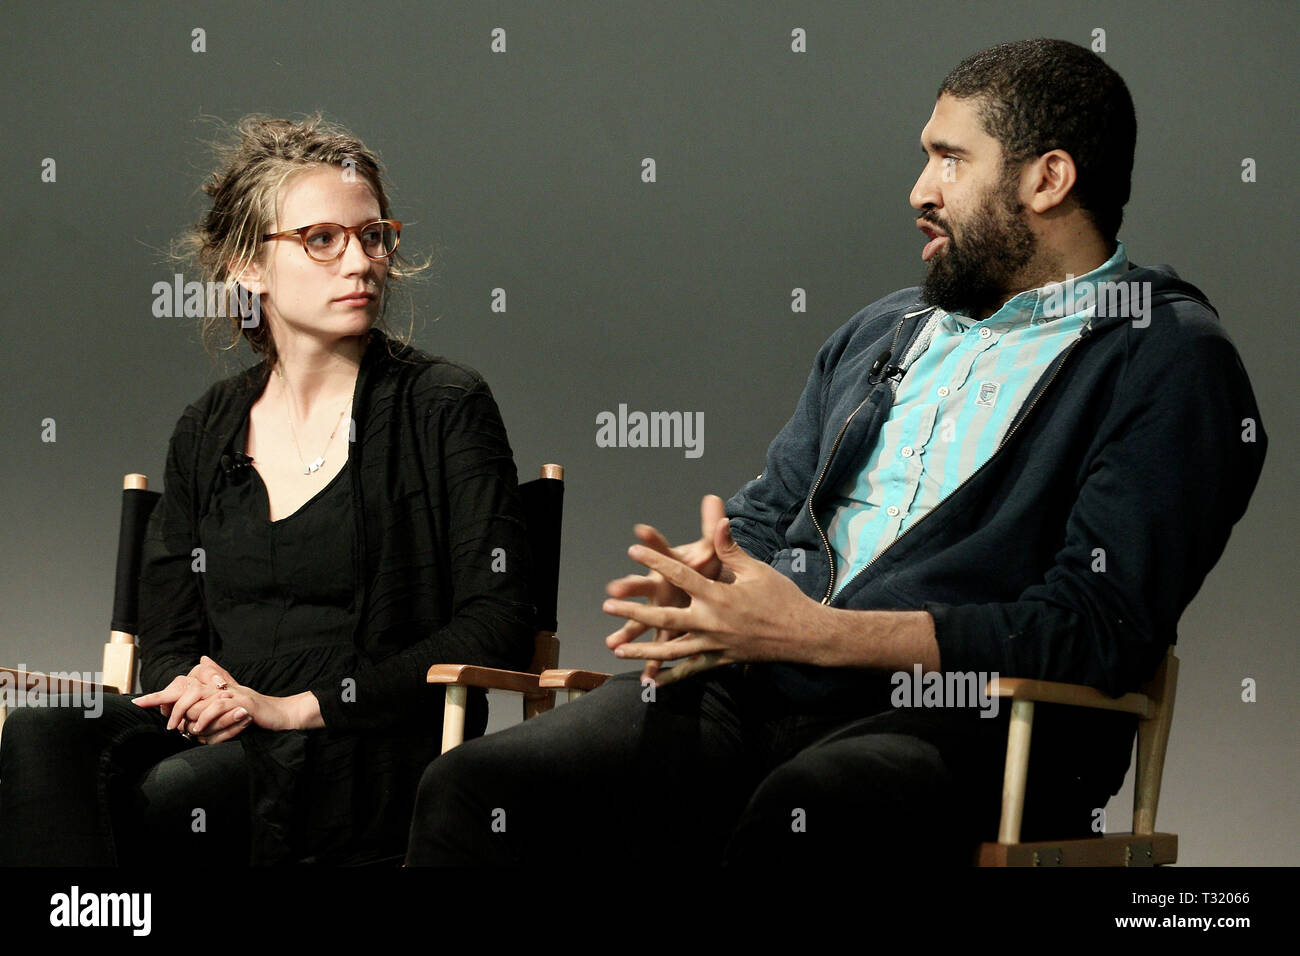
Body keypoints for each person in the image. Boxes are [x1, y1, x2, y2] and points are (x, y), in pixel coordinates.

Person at [404, 38, 1268, 865]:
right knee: (478, 787)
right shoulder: (883, 331)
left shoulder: (1168, 357)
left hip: (972, 717)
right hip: (763, 684)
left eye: (950, 159)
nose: (918, 189)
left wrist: (823, 635)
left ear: (1048, 179)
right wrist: (710, 577)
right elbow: (770, 512)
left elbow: (1096, 631)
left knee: (809, 818)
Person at [0, 113, 535, 866]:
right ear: (249, 267)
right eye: (322, 239)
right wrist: (196, 691)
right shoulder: (207, 426)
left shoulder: (443, 405)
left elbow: (498, 618)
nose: (361, 262)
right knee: (38, 730)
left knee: (175, 794)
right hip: (217, 725)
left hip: (355, 735)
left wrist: (292, 708)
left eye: (374, 235)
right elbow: (170, 633)